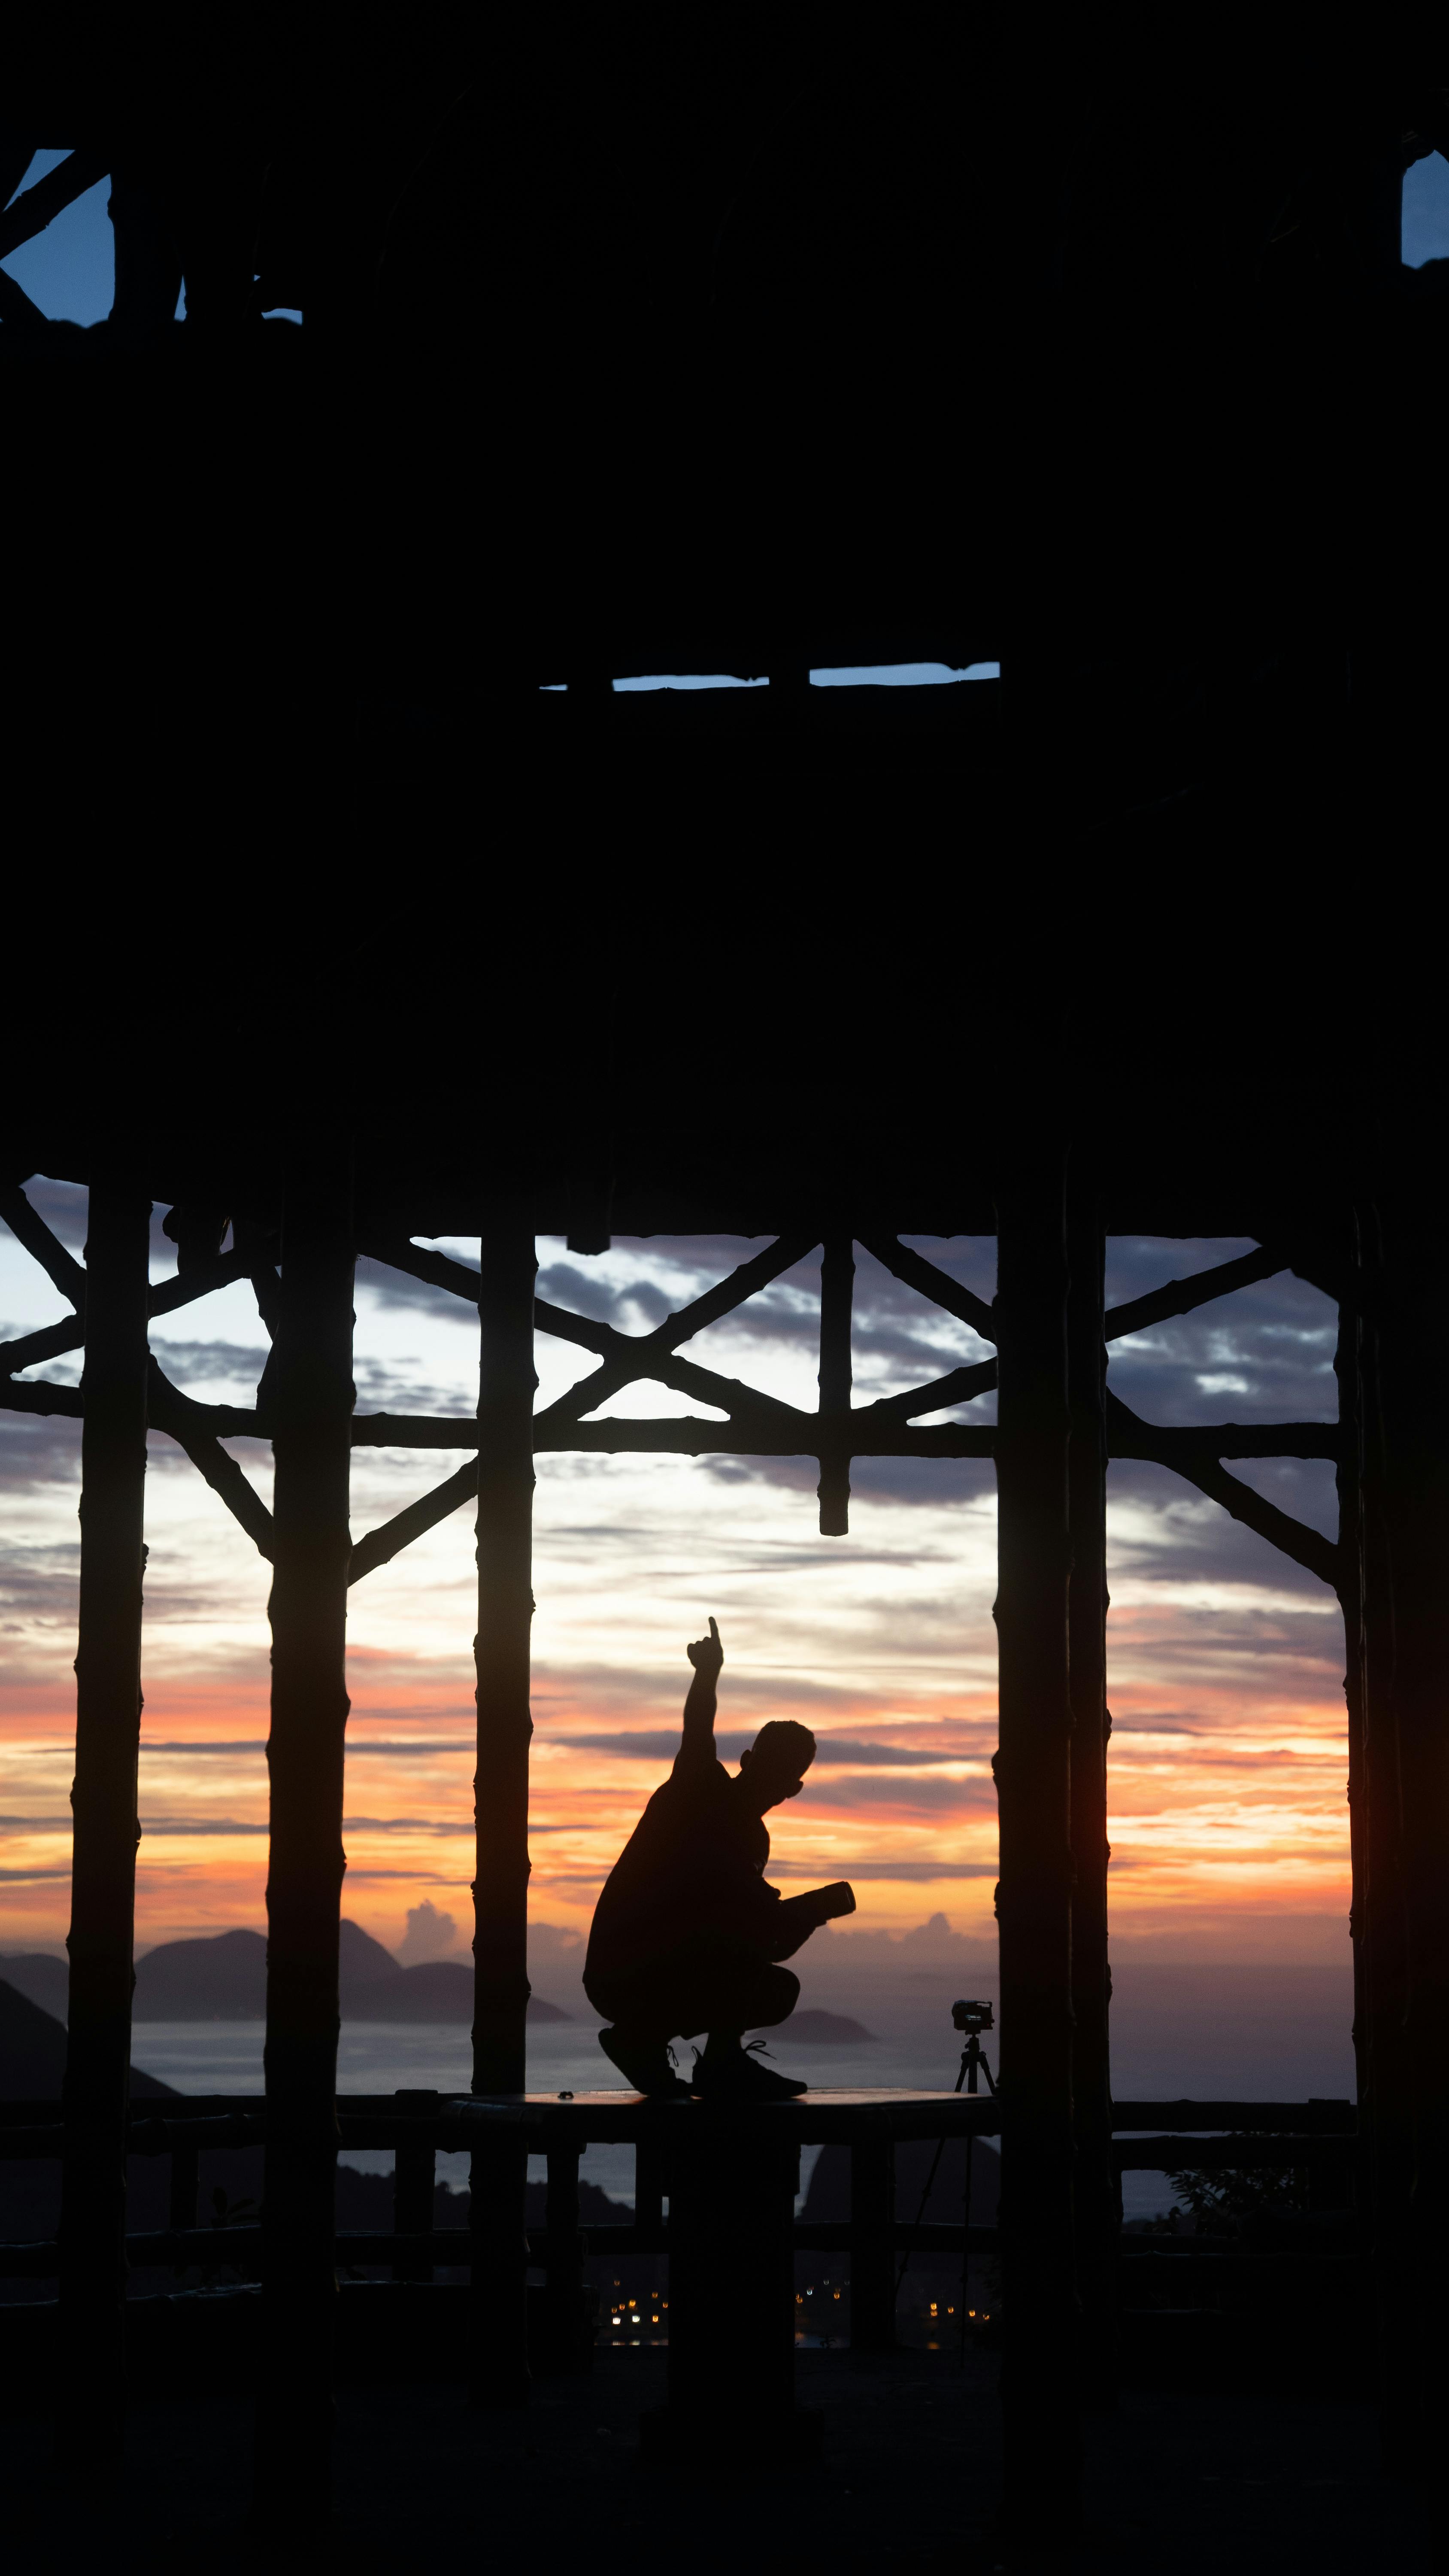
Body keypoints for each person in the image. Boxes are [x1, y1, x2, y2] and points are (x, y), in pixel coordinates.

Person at [584, 1618, 855, 2099]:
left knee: (776, 1990)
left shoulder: (753, 1840)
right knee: (744, 1939)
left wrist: (811, 1913)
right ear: (747, 1759)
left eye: (783, 1772)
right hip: (625, 1969)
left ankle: (649, 2043)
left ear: (793, 1788)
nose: (772, 1779)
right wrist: (707, 1673)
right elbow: (698, 1729)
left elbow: (766, 1939)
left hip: (662, 1969)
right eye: (769, 1764)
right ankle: (706, 2059)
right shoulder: (699, 1787)